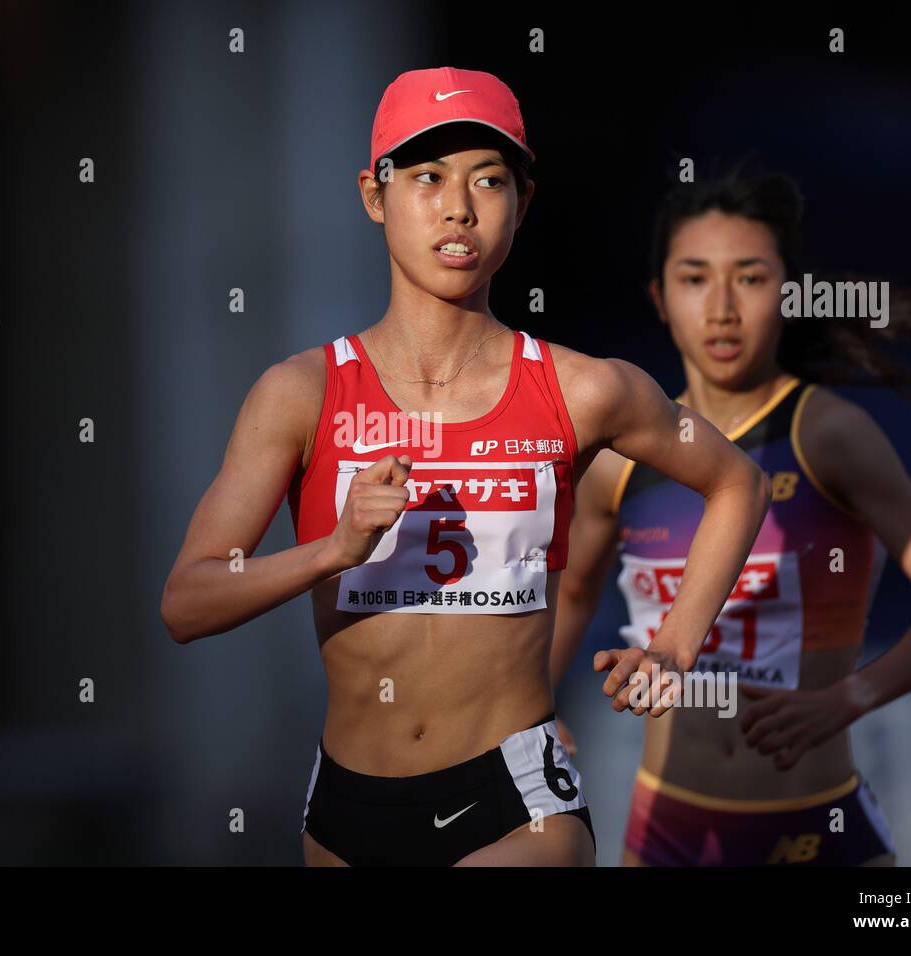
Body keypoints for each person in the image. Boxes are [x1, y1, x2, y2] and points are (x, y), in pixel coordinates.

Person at [161, 68, 771, 866]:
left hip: (513, 798)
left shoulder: (586, 388)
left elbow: (737, 481)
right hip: (346, 805)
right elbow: (187, 602)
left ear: (522, 203)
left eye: (489, 180)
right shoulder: (300, 394)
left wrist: (675, 643)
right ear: (373, 196)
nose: (459, 207)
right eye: (427, 178)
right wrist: (334, 551)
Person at [550, 164, 911, 866]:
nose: (721, 307)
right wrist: (535, 716)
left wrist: (848, 698)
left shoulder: (829, 435)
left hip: (813, 829)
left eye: (750, 278)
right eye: (695, 279)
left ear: (787, 296)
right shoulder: (620, 460)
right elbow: (570, 591)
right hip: (665, 833)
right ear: (659, 299)